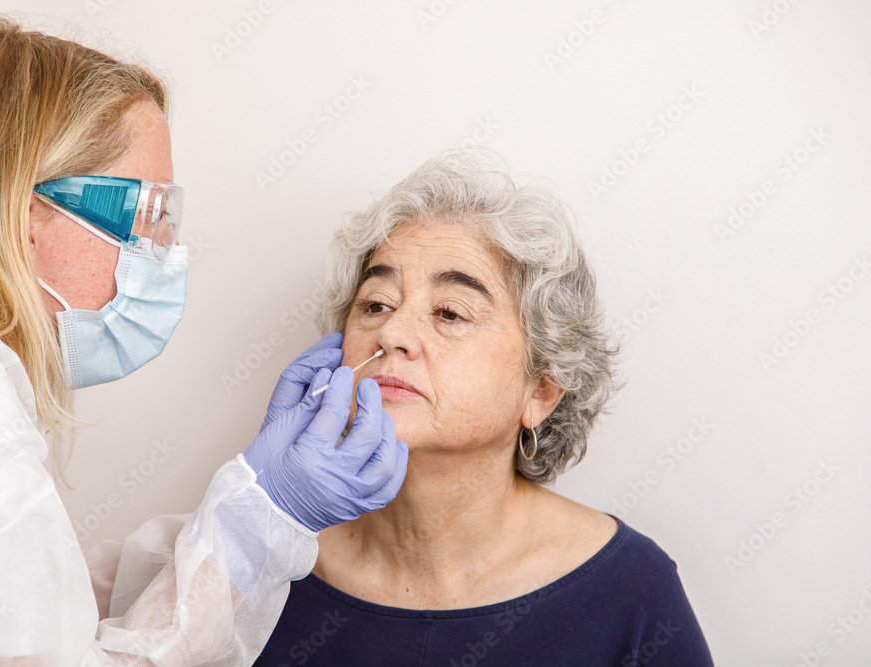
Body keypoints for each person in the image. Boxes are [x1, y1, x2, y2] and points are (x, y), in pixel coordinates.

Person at [0, 16, 406, 665]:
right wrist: (264, 519)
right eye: (149, 212)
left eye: (453, 312)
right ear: (26, 209)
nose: (164, 251)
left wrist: (243, 510)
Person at [255, 152, 713, 665]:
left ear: (541, 390)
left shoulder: (632, 591)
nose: (391, 333)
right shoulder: (265, 555)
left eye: (450, 312)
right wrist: (256, 523)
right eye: (376, 303)